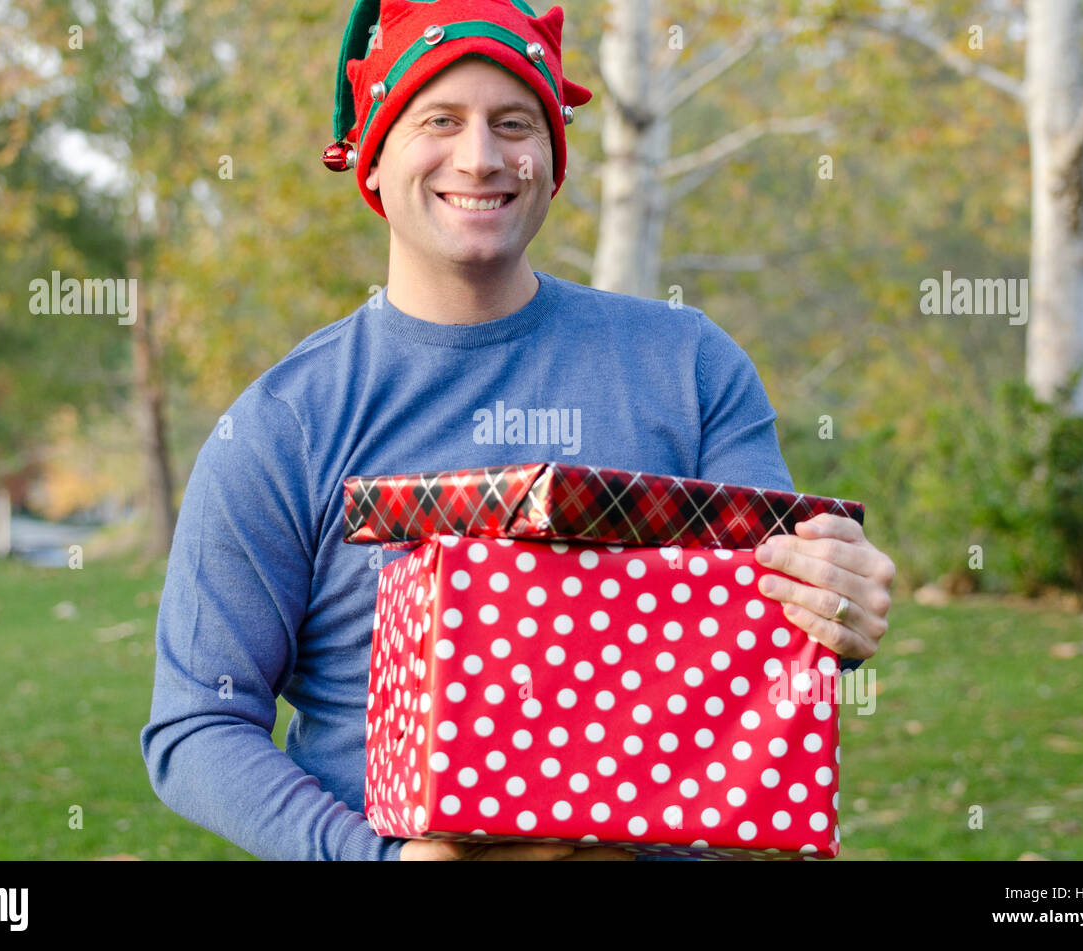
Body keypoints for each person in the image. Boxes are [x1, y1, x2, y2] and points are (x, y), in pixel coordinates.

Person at [141, 0, 895, 862]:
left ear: (552, 159)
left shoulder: (688, 366)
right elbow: (196, 721)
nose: (481, 157)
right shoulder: (284, 426)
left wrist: (831, 609)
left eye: (513, 123)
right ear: (374, 159)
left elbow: (766, 633)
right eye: (439, 120)